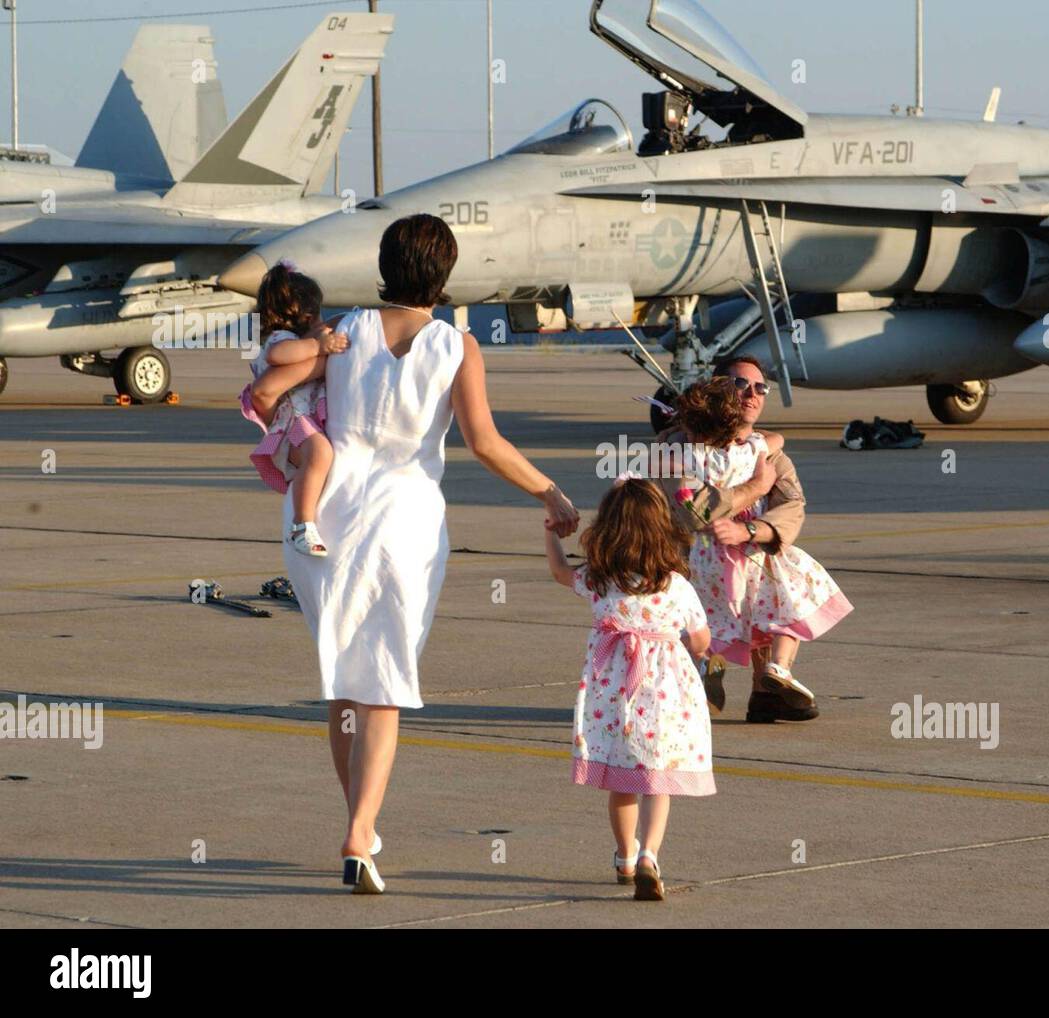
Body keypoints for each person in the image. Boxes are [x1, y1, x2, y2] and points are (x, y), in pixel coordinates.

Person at [282, 213, 579, 894]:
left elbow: (287, 391)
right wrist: (549, 491)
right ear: (445, 274)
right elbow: (484, 442)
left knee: (347, 681)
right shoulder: (455, 344)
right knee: (384, 681)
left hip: (326, 507)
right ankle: (360, 831)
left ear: (386, 263)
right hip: (403, 517)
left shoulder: (344, 329)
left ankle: (360, 820)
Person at [545, 477, 714, 902]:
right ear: (662, 529)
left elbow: (560, 572)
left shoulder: (601, 580)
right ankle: (650, 855)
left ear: (609, 529)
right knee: (657, 778)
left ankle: (625, 855)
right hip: (665, 693)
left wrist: (551, 533)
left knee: (622, 778)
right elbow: (700, 640)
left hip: (613, 695)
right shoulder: (676, 585)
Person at [658, 356, 837, 723]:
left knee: (758, 596)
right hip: (685, 558)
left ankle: (762, 691)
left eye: (760, 388)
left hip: (721, 557)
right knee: (781, 593)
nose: (752, 394)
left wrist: (752, 531)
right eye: (741, 384)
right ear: (718, 391)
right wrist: (755, 488)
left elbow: (792, 504)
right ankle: (722, 676)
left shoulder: (766, 449)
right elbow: (692, 512)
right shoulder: (675, 449)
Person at [238, 263, 350, 556]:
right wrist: (319, 346)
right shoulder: (280, 340)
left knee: (323, 455)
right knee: (321, 453)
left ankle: (307, 521)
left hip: (300, 423)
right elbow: (278, 355)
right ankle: (302, 524)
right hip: (292, 426)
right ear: (308, 315)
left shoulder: (296, 340)